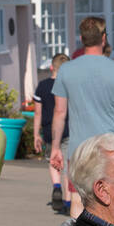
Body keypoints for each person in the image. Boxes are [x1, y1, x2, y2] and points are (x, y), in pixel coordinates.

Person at [50, 16, 114, 219]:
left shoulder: (66, 70)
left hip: (79, 149)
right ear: (104, 37)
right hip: (112, 149)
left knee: (78, 200)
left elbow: (60, 112)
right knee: (112, 201)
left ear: (82, 38)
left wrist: (56, 147)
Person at [33, 54, 70, 213]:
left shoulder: (42, 86)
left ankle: (56, 185)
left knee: (53, 160)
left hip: (49, 129)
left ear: (51, 67)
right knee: (68, 165)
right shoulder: (69, 86)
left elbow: (37, 113)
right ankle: (68, 202)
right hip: (68, 128)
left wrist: (36, 134)